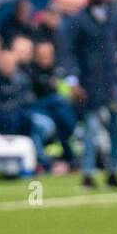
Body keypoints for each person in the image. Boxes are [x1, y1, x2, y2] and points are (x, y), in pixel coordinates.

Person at [61, 0, 117, 189]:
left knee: (116, 127)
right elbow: (68, 51)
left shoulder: (115, 15)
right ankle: (88, 173)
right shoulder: (78, 19)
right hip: (90, 81)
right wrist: (72, 79)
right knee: (91, 128)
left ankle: (113, 171)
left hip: (112, 80)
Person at [0, 47, 57, 174]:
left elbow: (29, 100)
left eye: (11, 63)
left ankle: (39, 162)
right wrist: (15, 106)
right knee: (30, 125)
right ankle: (41, 162)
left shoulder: (20, 78)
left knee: (40, 124)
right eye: (6, 62)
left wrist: (14, 107)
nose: (9, 66)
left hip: (17, 118)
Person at [26, 39, 77, 170]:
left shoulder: (57, 70)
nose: (46, 58)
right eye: (43, 55)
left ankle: (70, 157)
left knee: (61, 116)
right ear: (36, 55)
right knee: (57, 104)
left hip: (55, 112)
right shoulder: (30, 71)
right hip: (35, 109)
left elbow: (66, 93)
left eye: (48, 54)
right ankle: (47, 162)